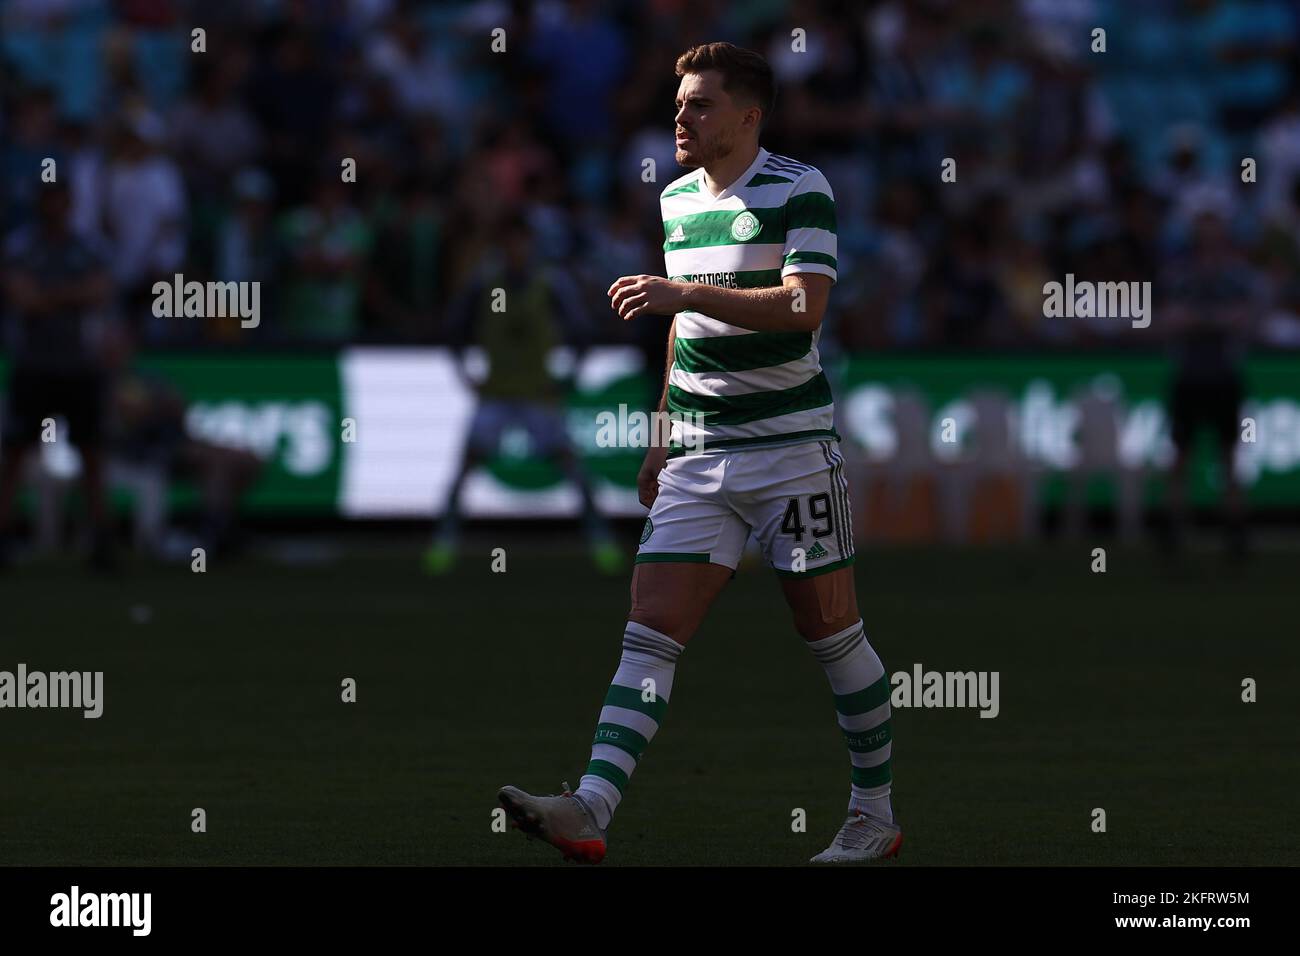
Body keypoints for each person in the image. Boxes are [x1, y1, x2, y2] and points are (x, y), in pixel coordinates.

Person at [497, 43, 899, 864]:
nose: (681, 116)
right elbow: (685, 334)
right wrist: (659, 434)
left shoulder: (800, 188)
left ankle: (874, 813)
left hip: (790, 449)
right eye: (679, 102)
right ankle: (590, 807)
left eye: (701, 103)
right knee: (650, 631)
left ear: (749, 116)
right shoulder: (677, 200)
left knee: (829, 635)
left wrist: (683, 293)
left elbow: (800, 308)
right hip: (699, 453)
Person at [425, 212, 622, 576]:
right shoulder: (485, 282)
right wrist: (464, 375)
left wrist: (567, 379)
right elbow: (453, 329)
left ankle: (601, 542)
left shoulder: (550, 283)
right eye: (511, 242)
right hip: (497, 393)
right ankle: (443, 543)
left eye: (522, 241)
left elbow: (582, 332)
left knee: (574, 469)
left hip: (537, 395)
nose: (517, 249)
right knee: (464, 468)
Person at [0, 180, 114, 569]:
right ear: (39, 203)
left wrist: (48, 295)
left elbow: (99, 292)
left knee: (92, 453)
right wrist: (70, 295)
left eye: (62, 200)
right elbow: (22, 299)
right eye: (49, 200)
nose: (56, 207)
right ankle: (5, 536)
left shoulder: (89, 246)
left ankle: (100, 538)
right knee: (15, 452)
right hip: (33, 365)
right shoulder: (20, 246)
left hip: (79, 366)